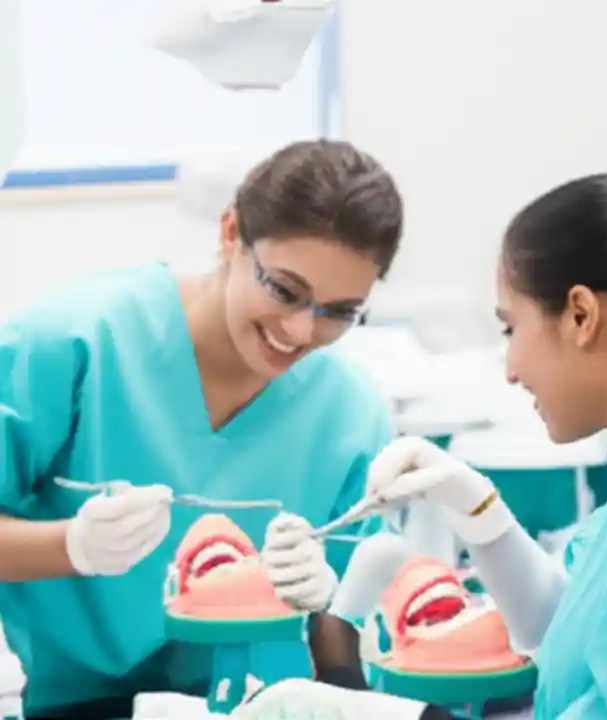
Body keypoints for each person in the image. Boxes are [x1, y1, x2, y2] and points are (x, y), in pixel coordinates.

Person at [238, 172, 607, 719]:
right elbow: (563, 625)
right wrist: (476, 509)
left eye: (511, 328)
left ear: (581, 315)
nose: (511, 368)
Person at [0, 139, 403, 718]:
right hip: (69, 705)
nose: (299, 330)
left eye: (338, 311)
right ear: (232, 233)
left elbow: (339, 657)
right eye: (285, 290)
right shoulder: (75, 343)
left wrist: (333, 602)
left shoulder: (349, 416)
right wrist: (72, 548)